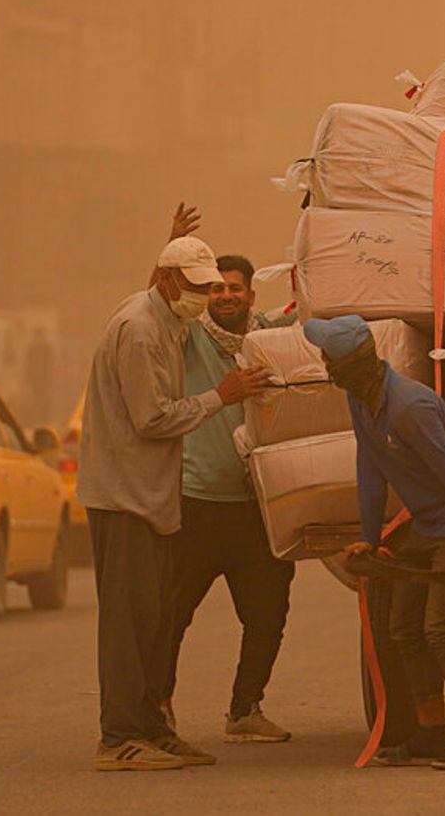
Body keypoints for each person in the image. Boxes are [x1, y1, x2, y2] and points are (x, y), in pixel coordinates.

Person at [77, 212, 273, 772]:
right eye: (197, 288)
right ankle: (119, 739)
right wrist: (223, 395)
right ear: (170, 284)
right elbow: (152, 419)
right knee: (126, 623)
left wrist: (170, 249)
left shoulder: (166, 317)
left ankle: (150, 728)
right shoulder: (141, 329)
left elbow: (164, 292)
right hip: (124, 496)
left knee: (152, 621)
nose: (206, 298)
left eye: (210, 287)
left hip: (150, 496)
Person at [303, 315, 445, 770]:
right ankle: (431, 732)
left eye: (327, 359)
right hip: (427, 526)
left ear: (345, 366)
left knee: (441, 629)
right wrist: (368, 539)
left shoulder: (410, 408)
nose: (324, 366)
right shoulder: (361, 400)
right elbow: (369, 469)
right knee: (403, 628)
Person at [159, 248, 299, 744]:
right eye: (216, 288)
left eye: (234, 288)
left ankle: (245, 709)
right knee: (170, 616)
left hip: (257, 509)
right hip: (196, 504)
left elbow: (314, 312)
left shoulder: (268, 338)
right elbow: (158, 302)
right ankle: (159, 709)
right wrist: (169, 254)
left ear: (250, 295)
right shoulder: (189, 335)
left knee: (268, 614)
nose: (224, 296)